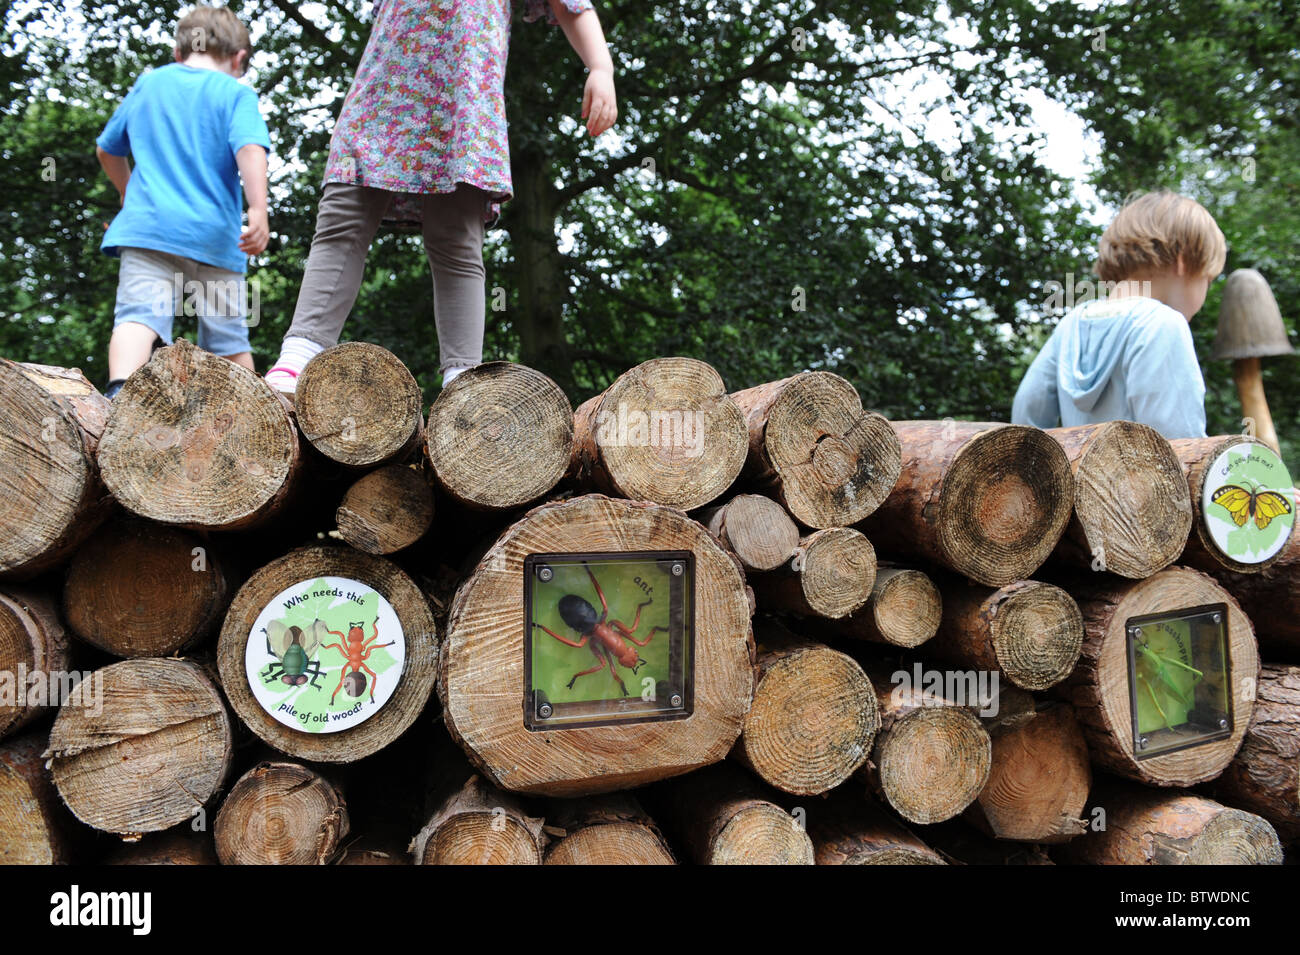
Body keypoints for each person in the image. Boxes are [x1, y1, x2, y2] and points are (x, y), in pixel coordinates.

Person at [263, 0, 617, 394]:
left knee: (457, 239)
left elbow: (571, 4)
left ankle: (462, 380)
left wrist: (601, 67)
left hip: (462, 104)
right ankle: (300, 353)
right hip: (382, 93)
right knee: (342, 218)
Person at [96, 4, 271, 399]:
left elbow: (108, 150)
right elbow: (250, 147)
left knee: (138, 319)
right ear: (238, 58)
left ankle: (117, 400)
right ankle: (252, 412)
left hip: (149, 229)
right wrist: (257, 208)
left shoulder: (150, 84)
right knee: (229, 339)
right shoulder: (236, 93)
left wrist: (127, 194)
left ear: (179, 53)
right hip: (217, 238)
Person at [1011, 190, 1227, 440]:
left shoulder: (1073, 321)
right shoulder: (1162, 324)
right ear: (1183, 261)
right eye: (1207, 280)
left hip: (1080, 479)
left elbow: (1028, 409)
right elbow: (1180, 446)